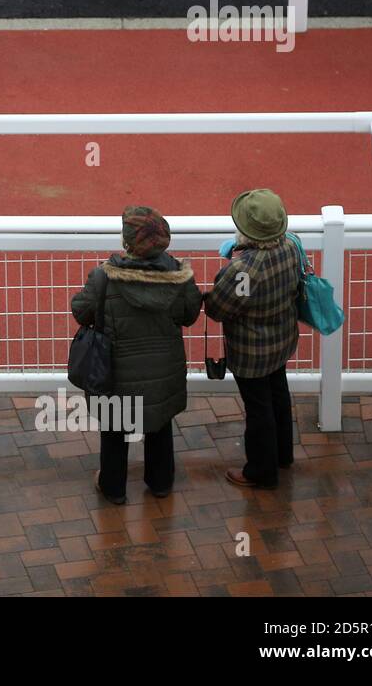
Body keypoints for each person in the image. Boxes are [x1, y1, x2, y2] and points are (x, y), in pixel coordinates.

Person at [70, 206, 202, 505]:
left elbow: (81, 310)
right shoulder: (180, 276)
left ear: (127, 242)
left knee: (114, 428)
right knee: (159, 423)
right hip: (164, 370)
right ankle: (160, 483)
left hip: (116, 372)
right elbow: (190, 314)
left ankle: (113, 487)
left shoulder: (103, 277)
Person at [204, 188, 302, 490]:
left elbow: (218, 309)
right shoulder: (291, 248)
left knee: (258, 408)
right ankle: (283, 455)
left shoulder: (243, 269)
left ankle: (260, 471)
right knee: (278, 395)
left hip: (251, 351)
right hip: (282, 340)